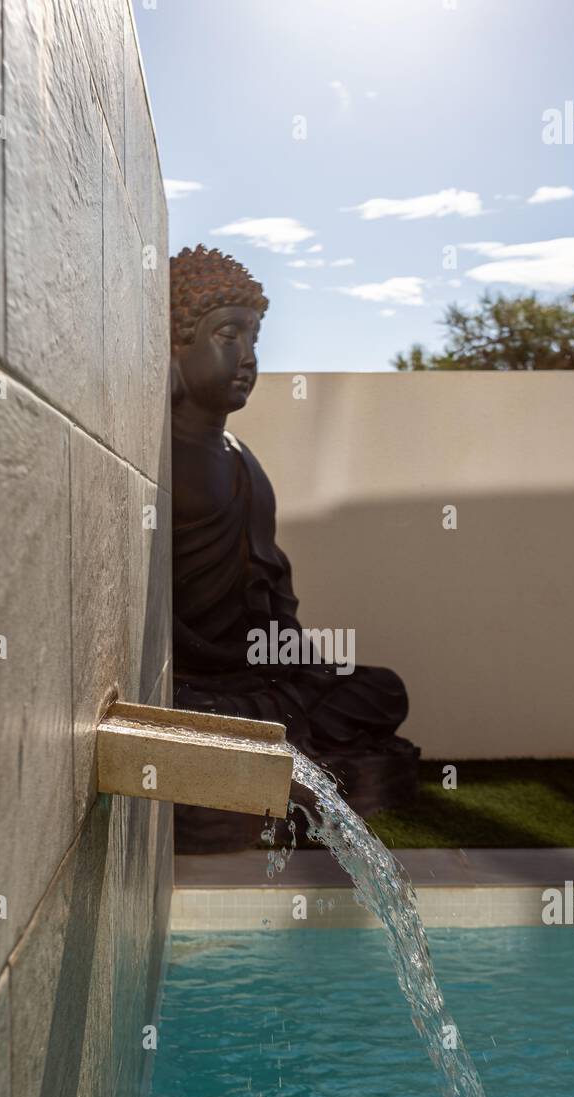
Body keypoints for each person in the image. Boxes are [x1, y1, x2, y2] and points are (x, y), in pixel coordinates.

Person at [169, 244, 418, 851]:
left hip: (256, 676)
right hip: (191, 687)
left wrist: (296, 663)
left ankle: (264, 741)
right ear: (175, 344)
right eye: (228, 335)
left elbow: (273, 601)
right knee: (205, 721)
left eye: (254, 339)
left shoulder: (244, 463)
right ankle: (255, 745)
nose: (247, 358)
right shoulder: (153, 457)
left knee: (380, 689)